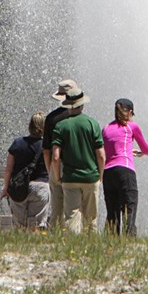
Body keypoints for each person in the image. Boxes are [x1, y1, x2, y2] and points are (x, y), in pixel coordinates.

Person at [50, 89, 104, 234]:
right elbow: (101, 155)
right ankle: (91, 248)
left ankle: (73, 245)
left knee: (71, 217)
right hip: (91, 177)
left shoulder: (60, 126)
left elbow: (55, 157)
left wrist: (57, 176)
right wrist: (101, 175)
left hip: (70, 178)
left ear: (68, 105)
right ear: (82, 105)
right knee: (91, 218)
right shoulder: (92, 123)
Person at [102, 97, 148, 236]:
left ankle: (112, 240)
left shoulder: (105, 128)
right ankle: (129, 239)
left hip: (108, 172)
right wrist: (144, 152)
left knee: (112, 211)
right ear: (129, 112)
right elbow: (146, 149)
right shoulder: (131, 126)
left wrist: (129, 150)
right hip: (125, 170)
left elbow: (111, 149)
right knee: (129, 207)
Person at [1, 112, 51, 230]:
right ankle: (36, 246)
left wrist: (6, 188)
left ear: (30, 125)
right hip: (40, 186)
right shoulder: (46, 145)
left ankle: (20, 246)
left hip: (18, 187)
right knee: (38, 226)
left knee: (19, 225)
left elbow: (8, 169)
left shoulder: (17, 143)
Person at [42, 78, 79, 228]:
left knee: (57, 203)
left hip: (57, 163)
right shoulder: (79, 117)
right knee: (75, 204)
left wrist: (49, 168)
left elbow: (46, 150)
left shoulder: (51, 118)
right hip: (76, 164)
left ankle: (56, 234)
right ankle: (75, 234)